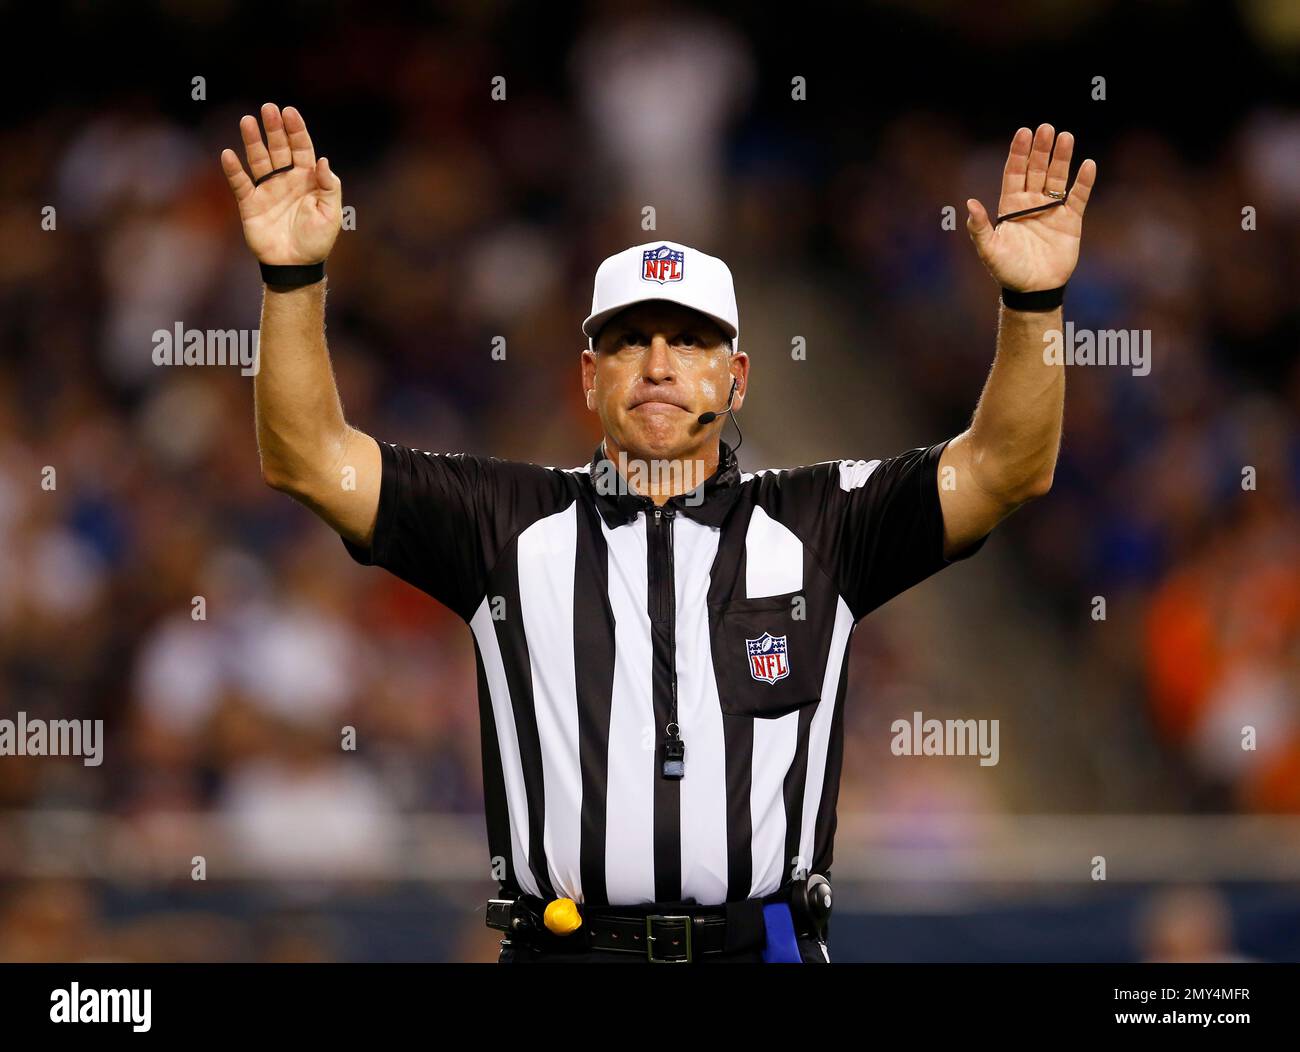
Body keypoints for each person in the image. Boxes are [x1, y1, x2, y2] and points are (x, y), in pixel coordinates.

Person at [221, 104, 1095, 963]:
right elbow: (307, 457)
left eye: (691, 340)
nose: (661, 365)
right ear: (591, 376)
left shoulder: (823, 523)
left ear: (739, 376)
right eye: (632, 340)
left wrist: (1034, 299)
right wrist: (293, 280)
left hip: (765, 947)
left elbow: (1005, 470)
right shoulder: (502, 522)